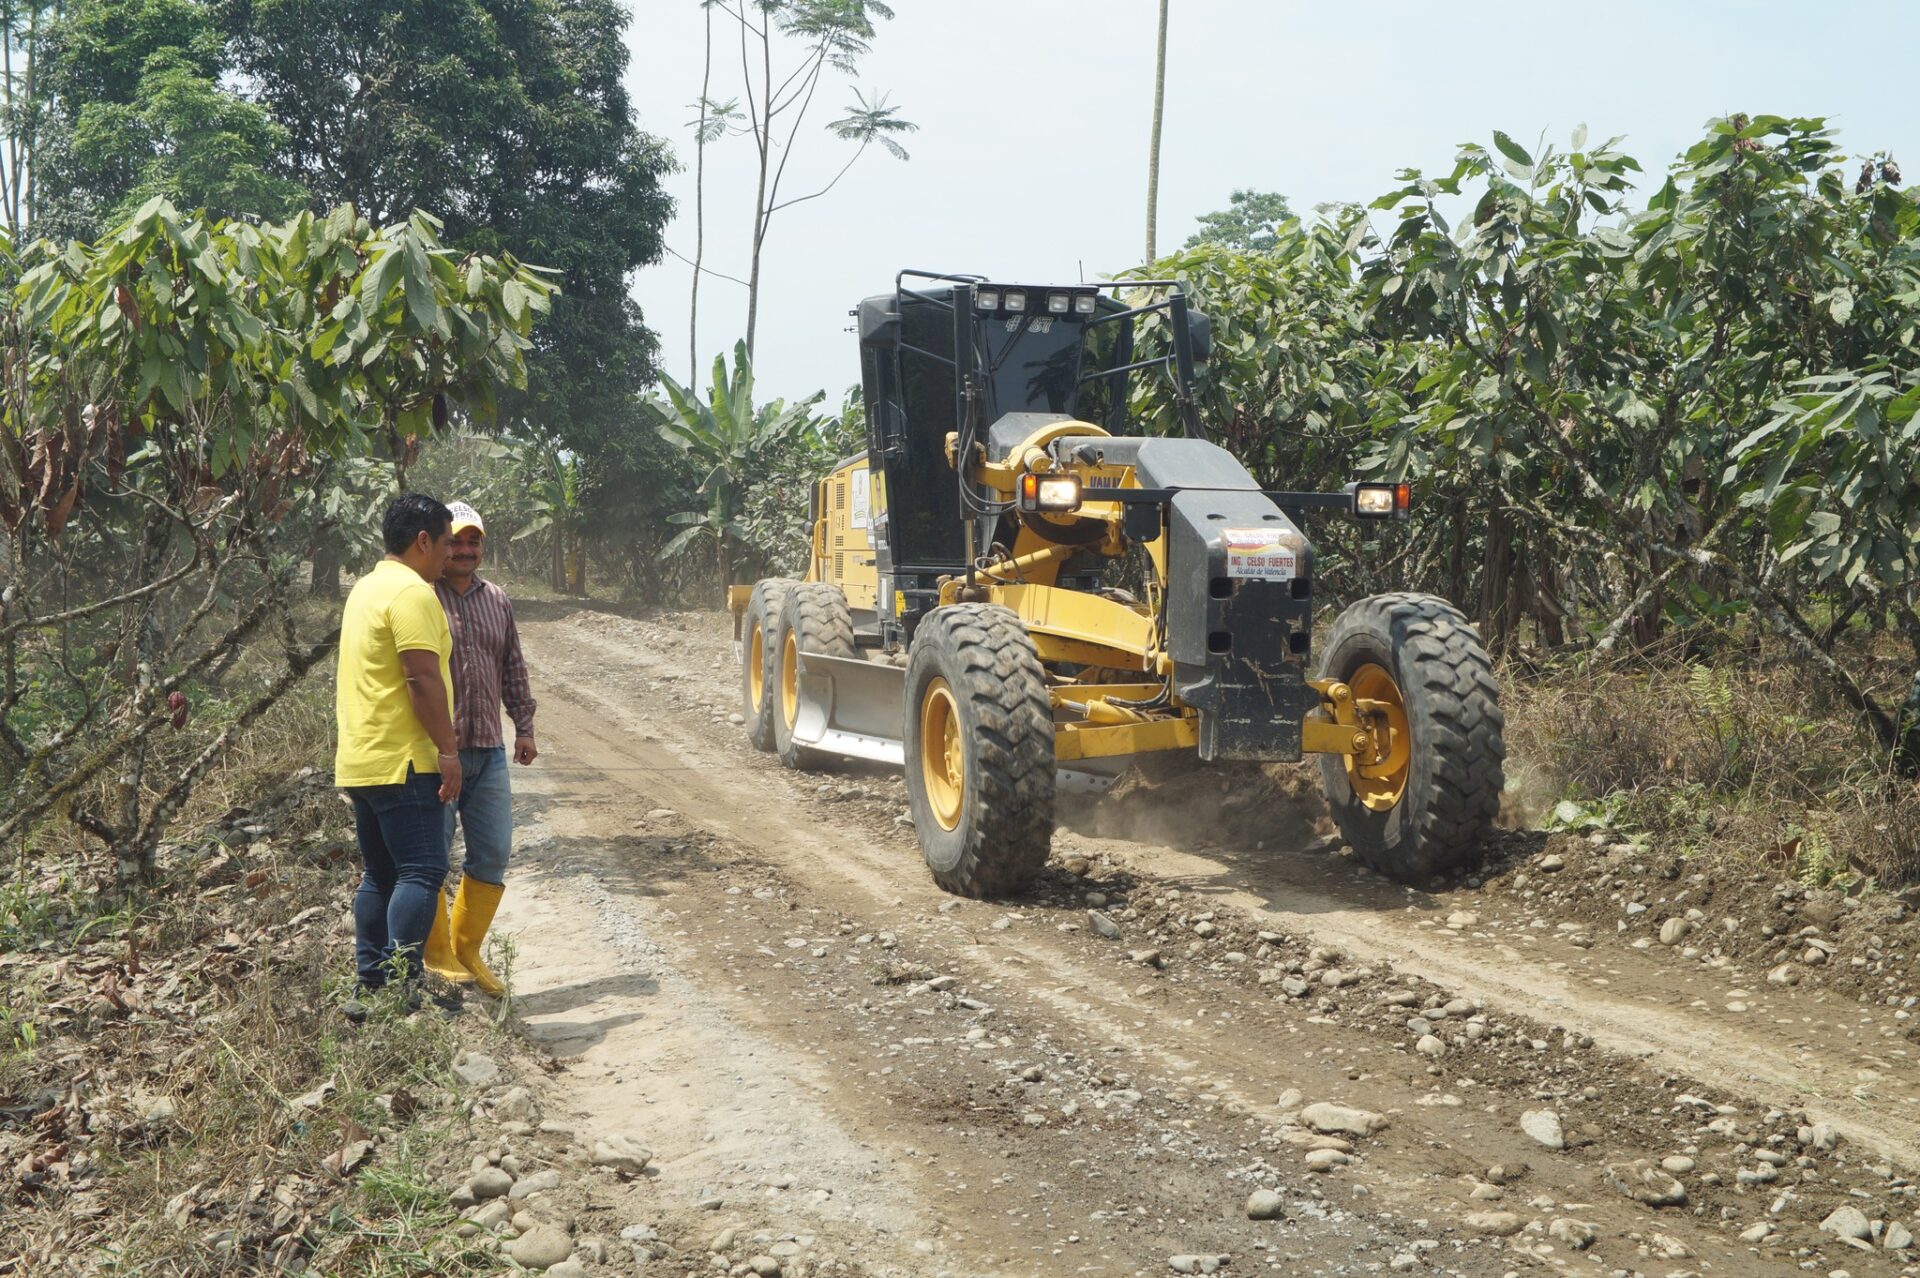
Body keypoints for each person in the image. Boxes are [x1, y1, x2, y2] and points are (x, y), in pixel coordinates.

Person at [335, 493, 461, 1011]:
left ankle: (370, 986)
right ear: (423, 541)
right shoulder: (412, 593)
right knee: (422, 871)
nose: (451, 554)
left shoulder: (365, 589)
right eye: (447, 543)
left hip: (362, 759)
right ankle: (399, 987)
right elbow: (420, 677)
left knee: (380, 874)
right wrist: (448, 752)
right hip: (405, 760)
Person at [421, 500, 536, 996]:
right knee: (430, 858)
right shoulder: (422, 596)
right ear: (439, 545)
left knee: (492, 852)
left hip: (487, 749)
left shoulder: (498, 600)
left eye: (474, 542)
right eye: (456, 542)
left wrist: (524, 726)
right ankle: (436, 957)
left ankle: (466, 950)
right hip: (435, 753)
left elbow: (512, 665)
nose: (465, 551)